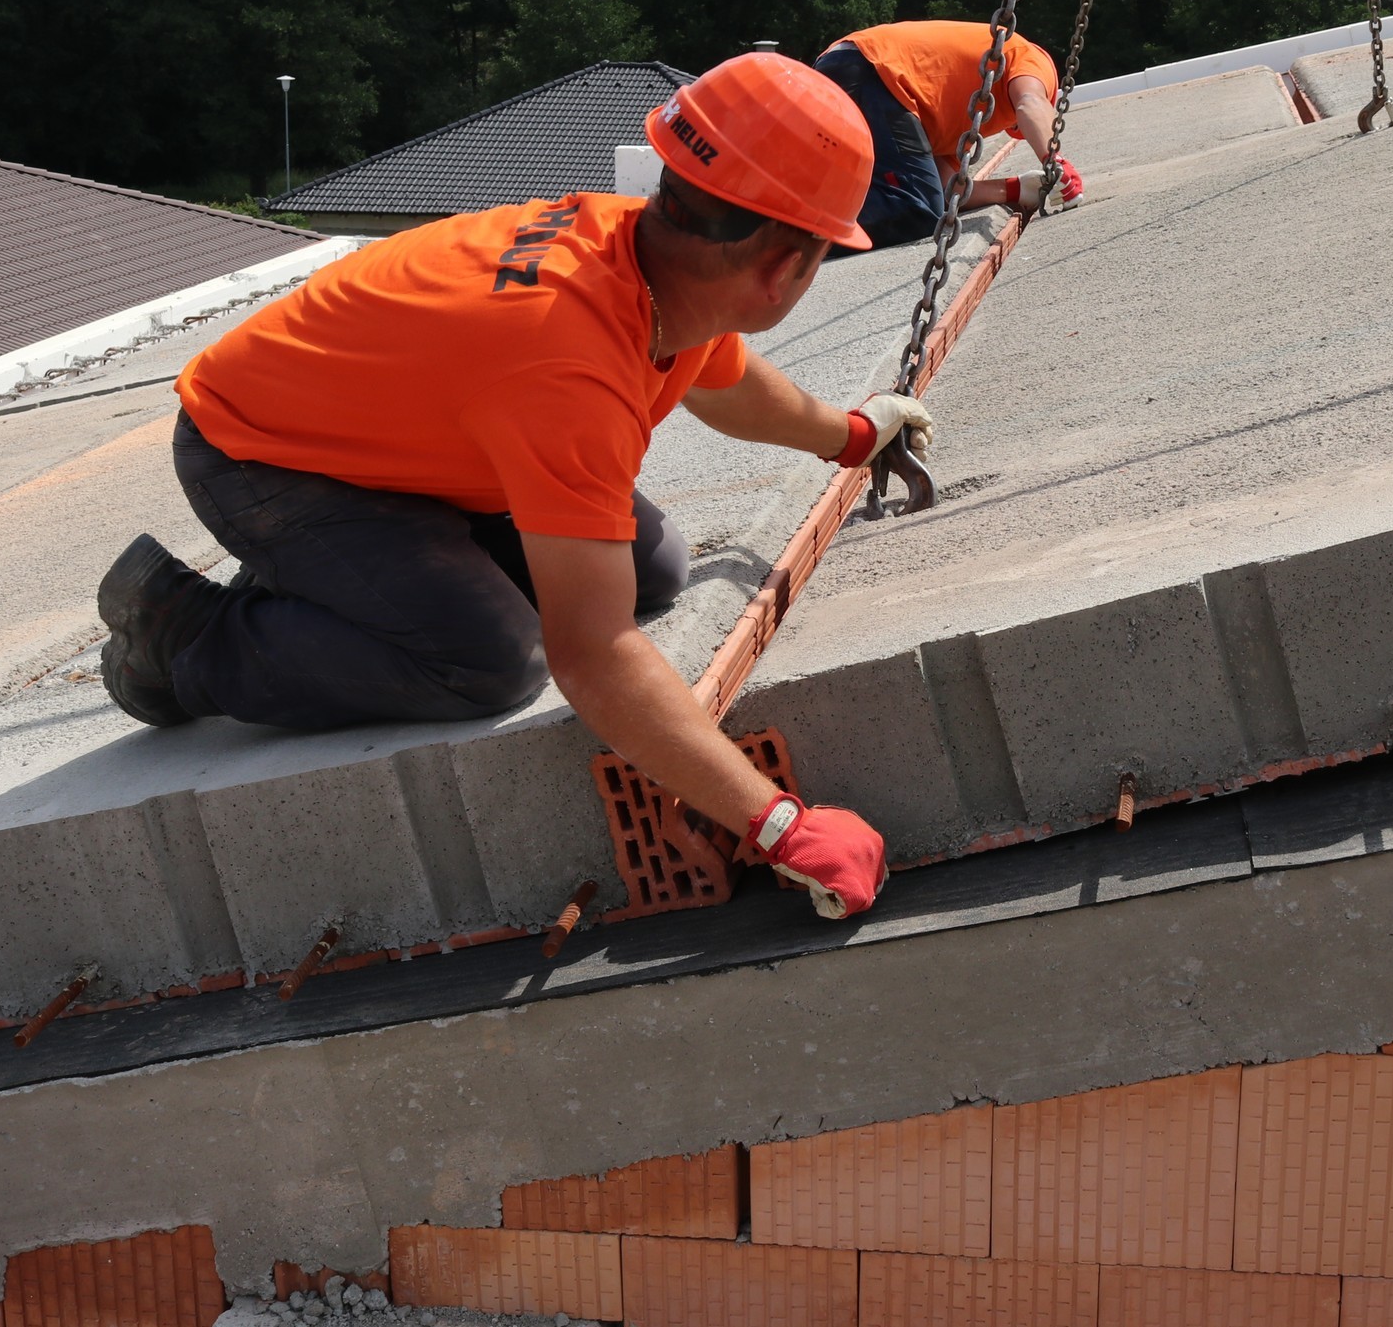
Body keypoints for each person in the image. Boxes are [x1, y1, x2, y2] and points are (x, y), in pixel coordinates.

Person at [94, 53, 905, 919]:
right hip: (265, 456)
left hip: (395, 431)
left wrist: (851, 436)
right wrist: (778, 823)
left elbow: (730, 380)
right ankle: (183, 636)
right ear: (786, 268)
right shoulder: (570, 369)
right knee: (493, 657)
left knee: (656, 564)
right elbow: (589, 653)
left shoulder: (649, 255)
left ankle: (358, 577)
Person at [813, 21, 1086, 248]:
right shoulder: (1028, 56)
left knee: (925, 202)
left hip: (850, 65)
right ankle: (812, 228)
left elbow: (946, 191)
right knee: (916, 211)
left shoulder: (955, 112)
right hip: (872, 70)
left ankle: (811, 218)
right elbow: (1030, 103)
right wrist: (1056, 161)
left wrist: (1014, 189)